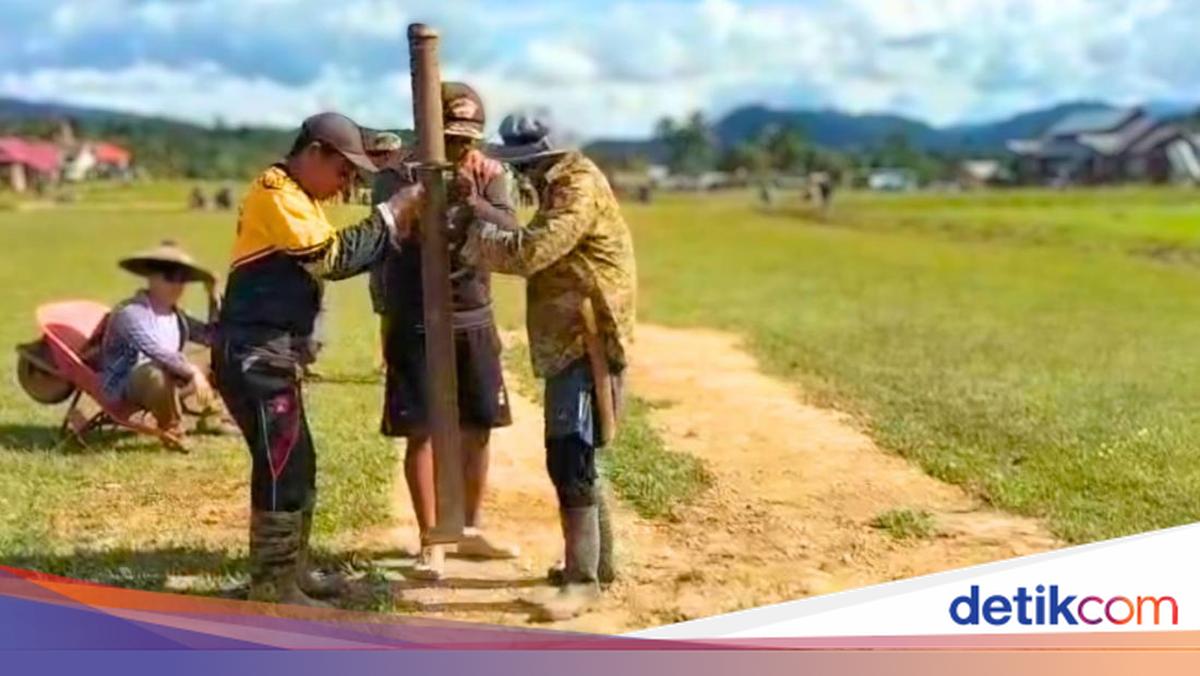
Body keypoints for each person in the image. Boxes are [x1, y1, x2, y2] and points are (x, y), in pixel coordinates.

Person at [213, 112, 417, 607]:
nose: (345, 185)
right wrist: (391, 215)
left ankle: (292, 572)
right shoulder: (275, 191)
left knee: (295, 462)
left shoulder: (296, 195)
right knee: (282, 465)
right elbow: (331, 256)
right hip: (254, 356)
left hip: (271, 353)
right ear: (316, 153)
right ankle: (274, 585)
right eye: (343, 172)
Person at [462, 109, 637, 621]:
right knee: (577, 451)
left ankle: (582, 581)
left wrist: (473, 237)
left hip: (586, 340)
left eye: (528, 163)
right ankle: (596, 566)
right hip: (571, 336)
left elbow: (532, 251)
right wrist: (481, 208)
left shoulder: (576, 188)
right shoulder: (559, 185)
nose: (523, 173)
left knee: (571, 451)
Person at [379, 83, 519, 580]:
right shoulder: (395, 174)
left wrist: (474, 201)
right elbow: (382, 239)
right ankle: (430, 538)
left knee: (477, 426)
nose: (462, 149)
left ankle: (470, 528)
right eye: (451, 138)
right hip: (414, 315)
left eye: (469, 139)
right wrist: (423, 198)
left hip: (471, 313)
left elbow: (510, 229)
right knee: (422, 429)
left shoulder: (491, 174)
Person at [99, 240, 227, 451]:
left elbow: (212, 337)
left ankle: (213, 414)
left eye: (182, 278)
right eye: (170, 276)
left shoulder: (177, 316)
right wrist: (193, 372)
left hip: (169, 378)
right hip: (129, 383)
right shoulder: (130, 313)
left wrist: (213, 296)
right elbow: (155, 350)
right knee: (155, 371)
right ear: (152, 277)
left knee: (224, 354)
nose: (177, 285)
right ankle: (172, 429)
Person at [366, 131, 408, 374]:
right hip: (387, 250)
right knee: (386, 310)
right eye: (375, 155)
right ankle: (389, 360)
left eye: (382, 154)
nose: (378, 159)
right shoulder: (387, 178)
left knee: (389, 310)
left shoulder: (388, 178)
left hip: (391, 252)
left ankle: (391, 360)